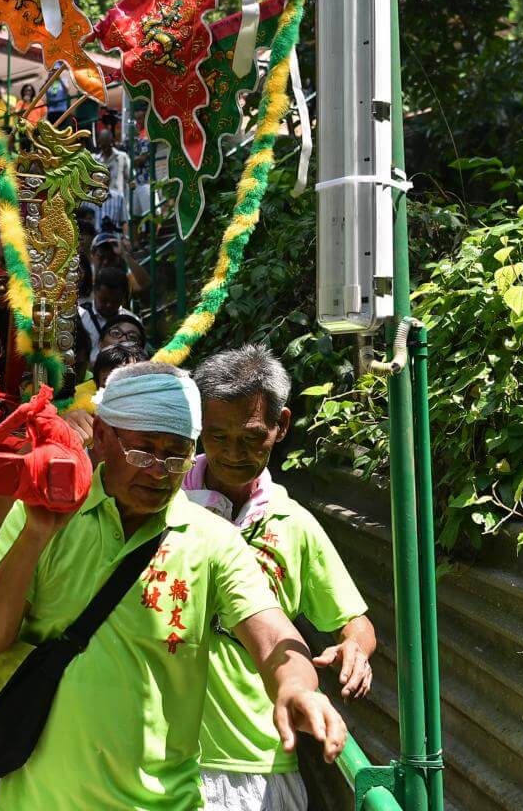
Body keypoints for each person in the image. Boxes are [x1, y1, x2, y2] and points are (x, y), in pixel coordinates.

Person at [0, 363, 345, 811]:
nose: (159, 471)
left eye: (176, 455)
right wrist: (36, 535)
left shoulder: (212, 540)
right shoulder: (40, 516)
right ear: (101, 436)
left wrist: (296, 687)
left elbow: (273, 633)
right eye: (143, 452)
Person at [188, 345, 376, 811]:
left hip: (263, 763)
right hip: (159, 756)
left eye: (251, 437)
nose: (233, 453)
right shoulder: (160, 507)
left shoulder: (293, 523)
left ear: (281, 426)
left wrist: (356, 647)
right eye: (217, 436)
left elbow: (355, 621)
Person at [78, 265, 140, 364]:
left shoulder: (133, 322)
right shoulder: (79, 317)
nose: (109, 305)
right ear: (95, 290)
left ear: (124, 297)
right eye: (104, 299)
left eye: (116, 301)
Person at [91, 121, 132, 232]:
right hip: (100, 201)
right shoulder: (95, 160)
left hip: (118, 202)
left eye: (106, 144)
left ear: (112, 142)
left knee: (119, 230)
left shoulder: (122, 157)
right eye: (101, 145)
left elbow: (131, 179)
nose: (104, 148)